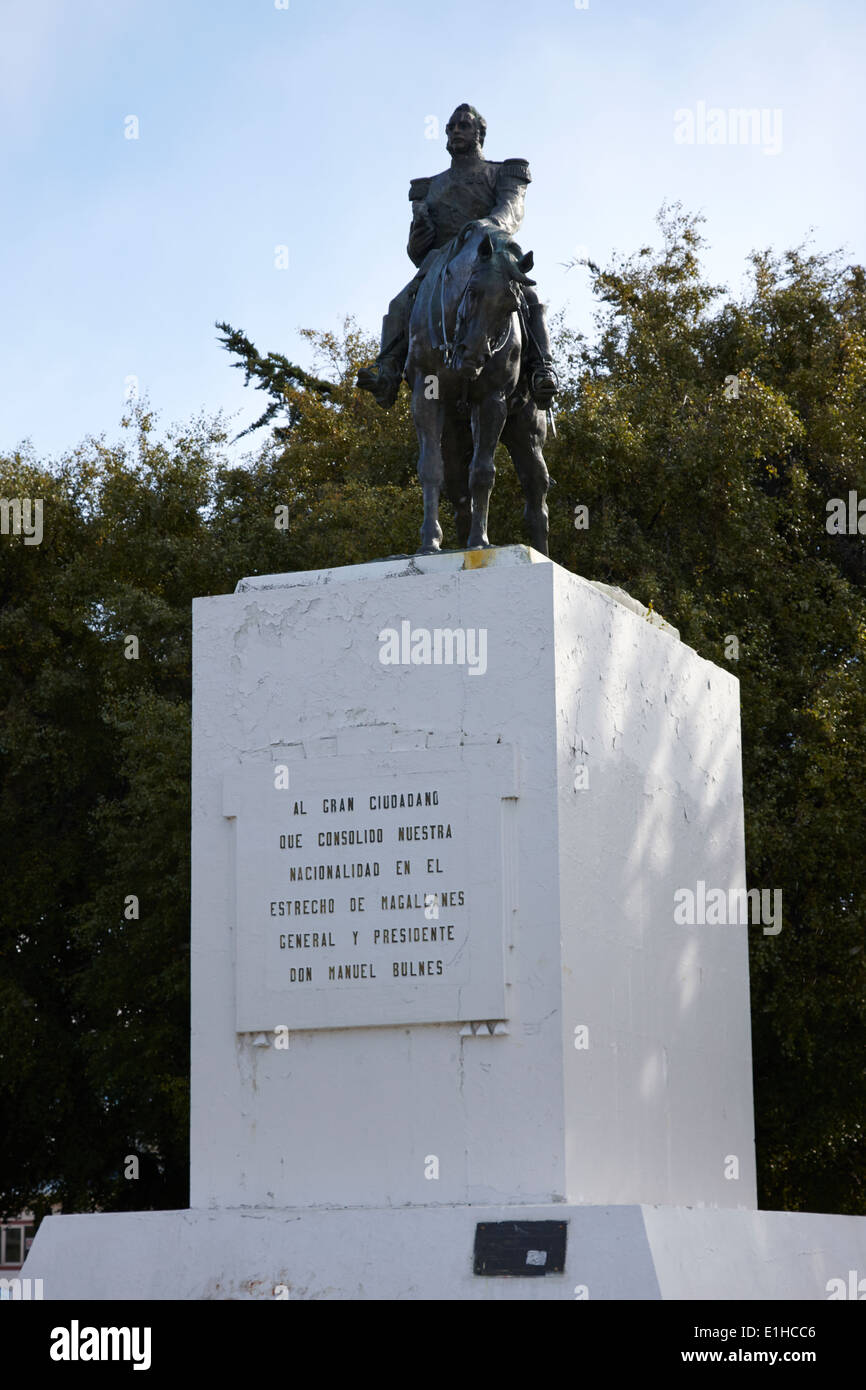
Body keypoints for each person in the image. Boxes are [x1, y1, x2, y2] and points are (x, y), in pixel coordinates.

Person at [356, 103, 559, 410]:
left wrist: (483, 226)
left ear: (480, 133)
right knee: (400, 303)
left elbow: (511, 211)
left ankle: (542, 368)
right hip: (443, 261)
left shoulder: (503, 172)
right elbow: (417, 251)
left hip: (489, 252)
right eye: (451, 127)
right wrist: (417, 240)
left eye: (463, 126)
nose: (455, 132)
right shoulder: (428, 187)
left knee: (529, 296)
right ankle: (386, 371)